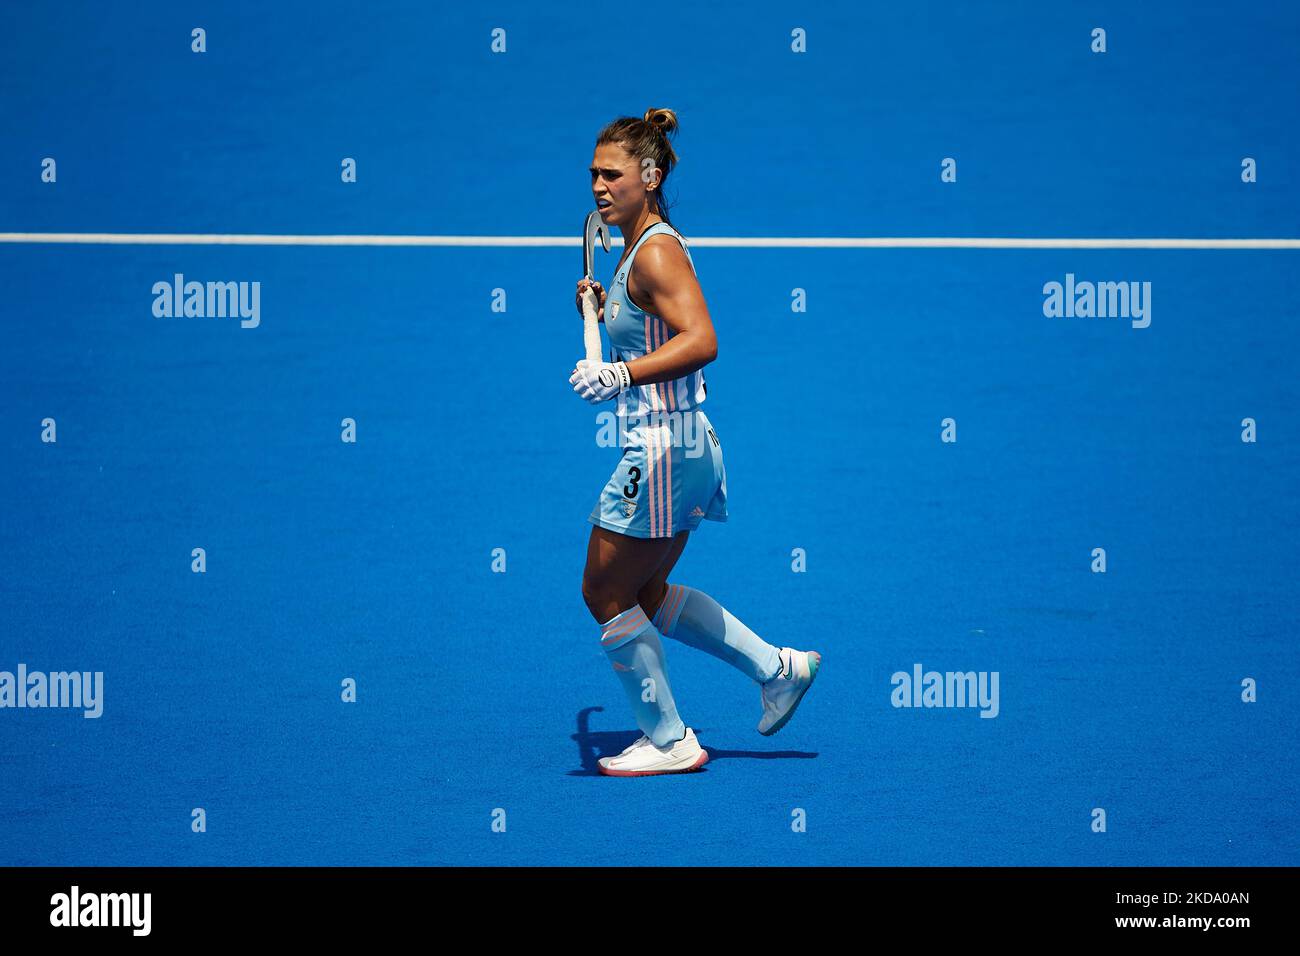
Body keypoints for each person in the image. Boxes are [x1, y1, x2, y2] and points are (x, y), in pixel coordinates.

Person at [569, 108, 821, 777]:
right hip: (684, 448)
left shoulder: (653, 250)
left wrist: (617, 370)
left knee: (603, 590)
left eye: (613, 174)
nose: (599, 185)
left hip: (662, 451)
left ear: (648, 178)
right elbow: (650, 330)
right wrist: (599, 316)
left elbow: (702, 339)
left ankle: (669, 737)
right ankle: (778, 669)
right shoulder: (636, 250)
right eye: (593, 173)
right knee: (645, 594)